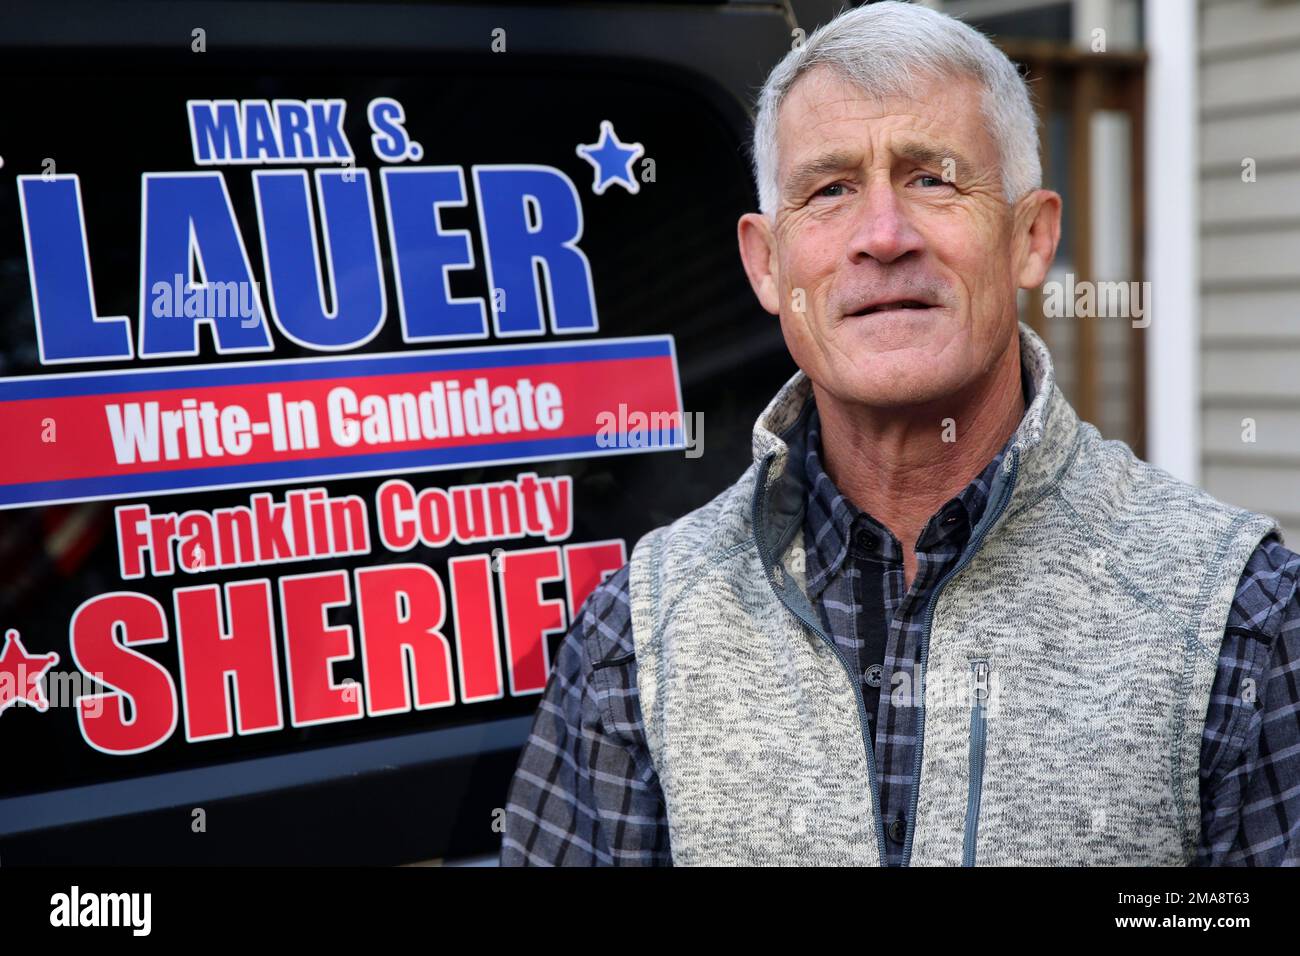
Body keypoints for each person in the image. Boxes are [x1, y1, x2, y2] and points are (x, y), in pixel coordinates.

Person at [500, 0, 1300, 865]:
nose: (882, 237)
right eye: (830, 190)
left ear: (1031, 237)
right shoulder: (636, 635)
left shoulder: (1240, 618)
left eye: (933, 179)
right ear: (766, 264)